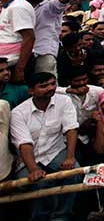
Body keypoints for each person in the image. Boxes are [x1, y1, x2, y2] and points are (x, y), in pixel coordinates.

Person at [11, 71, 81, 221]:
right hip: (29, 159)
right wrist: (33, 169)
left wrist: (70, 157)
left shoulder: (64, 101)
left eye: (53, 84)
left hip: (55, 152)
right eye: (44, 86)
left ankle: (62, 216)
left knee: (74, 172)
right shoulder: (18, 113)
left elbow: (71, 129)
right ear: (31, 91)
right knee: (39, 183)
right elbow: (24, 144)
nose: (50, 88)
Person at [0, 0, 37, 84]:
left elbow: (29, 37)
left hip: (14, 64)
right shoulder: (9, 6)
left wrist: (19, 69)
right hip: (8, 62)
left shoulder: (18, 7)